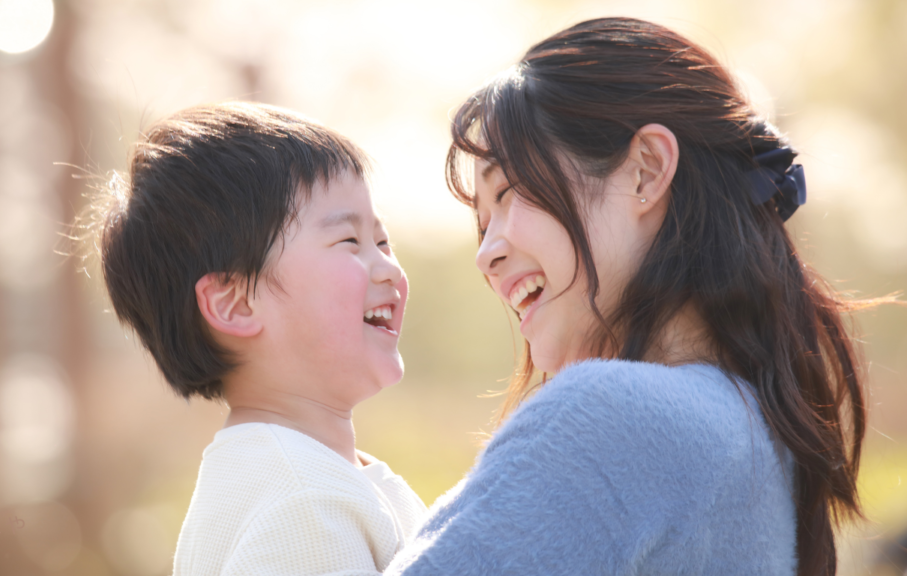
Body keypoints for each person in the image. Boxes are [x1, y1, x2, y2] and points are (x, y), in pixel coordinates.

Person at [386, 17, 892, 576]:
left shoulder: (614, 417)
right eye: (482, 224)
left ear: (646, 170)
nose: (487, 255)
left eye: (508, 192)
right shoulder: (756, 430)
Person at [92, 102, 426, 575]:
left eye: (383, 241)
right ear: (235, 304)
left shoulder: (306, 475)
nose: (388, 267)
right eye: (349, 242)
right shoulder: (303, 505)